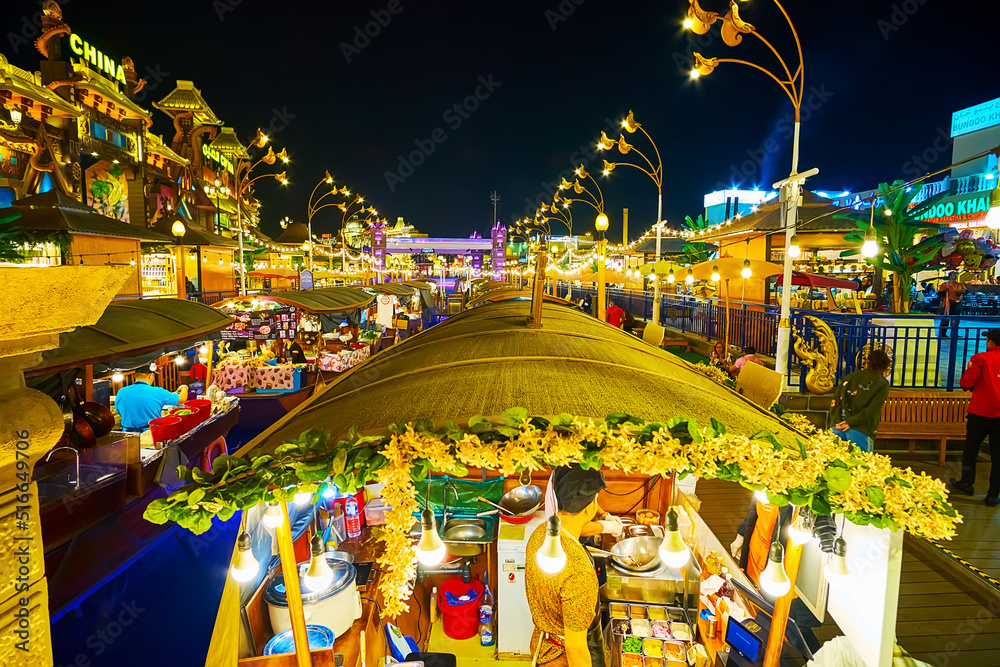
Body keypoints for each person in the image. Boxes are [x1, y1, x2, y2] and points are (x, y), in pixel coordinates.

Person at [526, 465, 609, 666]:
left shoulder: (539, 534)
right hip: (562, 658)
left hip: (542, 646)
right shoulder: (579, 572)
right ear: (589, 508)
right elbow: (576, 648)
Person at [950, 329, 1000, 507]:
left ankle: (967, 483)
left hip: (980, 413)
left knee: (971, 449)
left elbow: (965, 383)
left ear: (991, 342)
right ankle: (993, 495)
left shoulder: (981, 358)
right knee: (998, 456)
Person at [829, 350, 891, 452]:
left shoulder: (850, 377)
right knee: (861, 463)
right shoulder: (882, 384)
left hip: (838, 427)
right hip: (860, 429)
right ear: (886, 366)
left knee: (834, 461)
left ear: (867, 362)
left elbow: (835, 400)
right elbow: (872, 409)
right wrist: (850, 423)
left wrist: (836, 421)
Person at [115, 368, 188, 432]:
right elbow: (182, 399)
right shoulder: (157, 391)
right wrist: (184, 387)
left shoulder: (121, 392)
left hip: (127, 435)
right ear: (150, 376)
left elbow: (118, 411)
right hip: (150, 433)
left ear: (135, 376)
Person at [938, 272, 966, 338]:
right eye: (953, 276)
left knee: (955, 320)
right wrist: (945, 291)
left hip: (957, 304)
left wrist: (962, 292)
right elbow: (939, 294)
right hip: (947, 303)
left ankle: (954, 334)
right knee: (945, 319)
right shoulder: (945, 284)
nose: (954, 277)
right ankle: (942, 334)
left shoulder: (959, 284)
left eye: (956, 276)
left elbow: (965, 291)